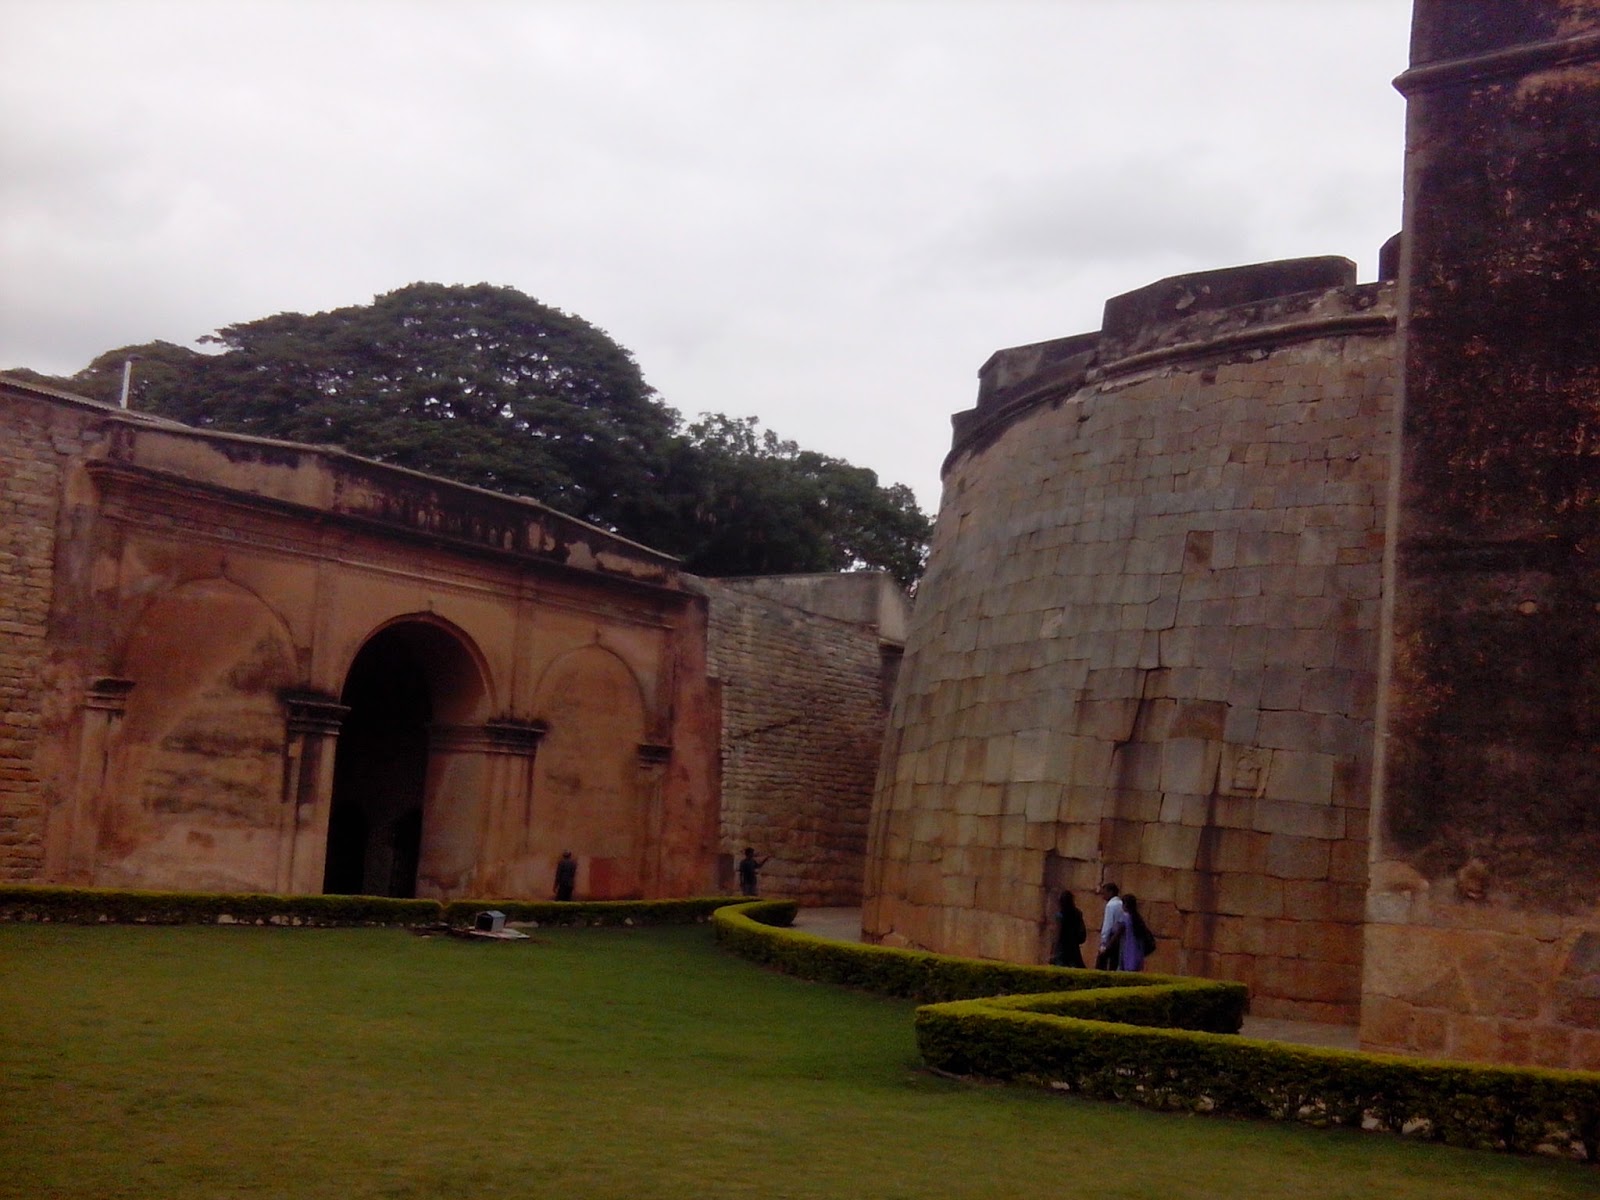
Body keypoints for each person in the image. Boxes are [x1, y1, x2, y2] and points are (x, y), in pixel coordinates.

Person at [1050, 889, 1086, 968]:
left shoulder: (1060, 916)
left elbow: (1057, 935)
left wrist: (1052, 952)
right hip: (1073, 947)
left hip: (1062, 948)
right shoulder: (1078, 913)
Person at [1118, 893, 1151, 972]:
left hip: (1128, 952)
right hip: (1137, 953)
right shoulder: (1137, 918)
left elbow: (1118, 931)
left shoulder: (1126, 918)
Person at [1095, 882, 1124, 970]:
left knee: (1101, 962)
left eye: (1105, 893)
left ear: (1111, 892)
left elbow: (1108, 925)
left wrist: (1103, 942)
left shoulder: (1110, 906)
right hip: (1120, 938)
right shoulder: (1122, 904)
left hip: (1111, 937)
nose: (1103, 896)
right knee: (1114, 964)